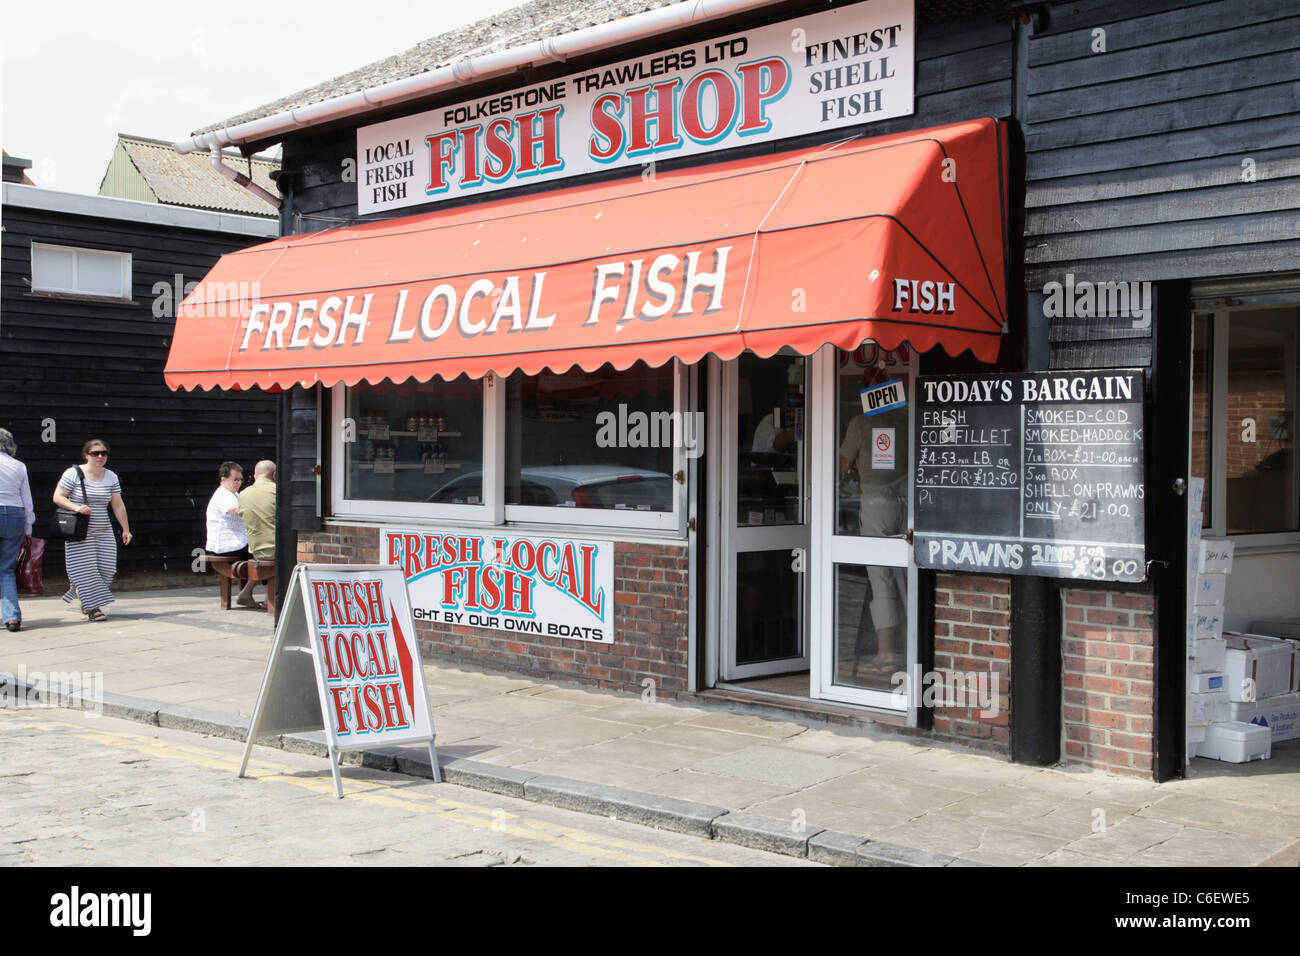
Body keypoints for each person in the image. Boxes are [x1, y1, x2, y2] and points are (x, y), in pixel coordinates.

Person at [839, 364, 908, 674]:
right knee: (905, 576)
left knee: (881, 578)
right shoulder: (906, 420)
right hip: (907, 503)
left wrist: (854, 466)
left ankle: (887, 653)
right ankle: (911, 644)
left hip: (876, 503)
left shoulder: (859, 422)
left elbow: (843, 464)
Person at [53, 439, 132, 623]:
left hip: (103, 529)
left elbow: (117, 504)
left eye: (103, 453)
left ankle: (85, 594)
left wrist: (125, 529)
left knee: (107, 567)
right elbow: (57, 496)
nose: (99, 456)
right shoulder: (73, 473)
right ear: (86, 455)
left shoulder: (111, 476)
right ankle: (93, 607)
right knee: (86, 569)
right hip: (80, 530)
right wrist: (76, 507)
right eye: (95, 453)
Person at [205, 461, 257, 607]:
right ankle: (248, 593)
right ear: (223, 479)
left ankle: (249, 593)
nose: (239, 482)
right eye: (235, 479)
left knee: (263, 550)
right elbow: (235, 509)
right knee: (265, 553)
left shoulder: (233, 494)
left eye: (241, 479)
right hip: (225, 545)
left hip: (236, 542)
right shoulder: (222, 494)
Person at [0, 429, 36, 632]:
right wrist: (28, 527)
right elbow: (27, 500)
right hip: (14, 515)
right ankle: (12, 618)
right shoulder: (19, 466)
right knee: (5, 569)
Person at [238, 460, 276, 603]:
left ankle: (264, 597)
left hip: (256, 549)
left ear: (255, 476)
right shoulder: (277, 491)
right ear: (275, 475)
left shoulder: (243, 494)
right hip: (276, 550)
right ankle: (271, 600)